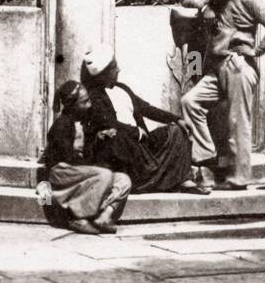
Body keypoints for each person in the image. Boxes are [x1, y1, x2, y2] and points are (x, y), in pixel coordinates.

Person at [179, 0, 265, 191]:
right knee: (190, 102)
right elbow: (188, 0)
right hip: (217, 68)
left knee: (238, 122)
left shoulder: (247, 0)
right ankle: (205, 158)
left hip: (238, 65)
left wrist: (256, 51)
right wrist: (205, 9)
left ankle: (240, 177)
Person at [79, 47, 194, 193]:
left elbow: (146, 108)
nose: (118, 70)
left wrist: (176, 119)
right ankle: (146, 181)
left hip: (142, 145)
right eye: (114, 67)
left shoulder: (123, 88)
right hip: (125, 146)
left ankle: (178, 178)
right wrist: (136, 132)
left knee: (176, 131)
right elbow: (107, 124)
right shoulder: (94, 97)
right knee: (114, 138)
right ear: (104, 73)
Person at [40, 80, 132, 234]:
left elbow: (85, 153)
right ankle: (77, 217)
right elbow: (68, 159)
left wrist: (98, 138)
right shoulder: (61, 125)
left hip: (82, 172)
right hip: (63, 172)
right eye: (85, 102)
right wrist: (95, 166)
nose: (89, 105)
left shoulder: (84, 122)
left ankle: (104, 216)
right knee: (105, 174)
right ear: (71, 105)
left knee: (123, 180)